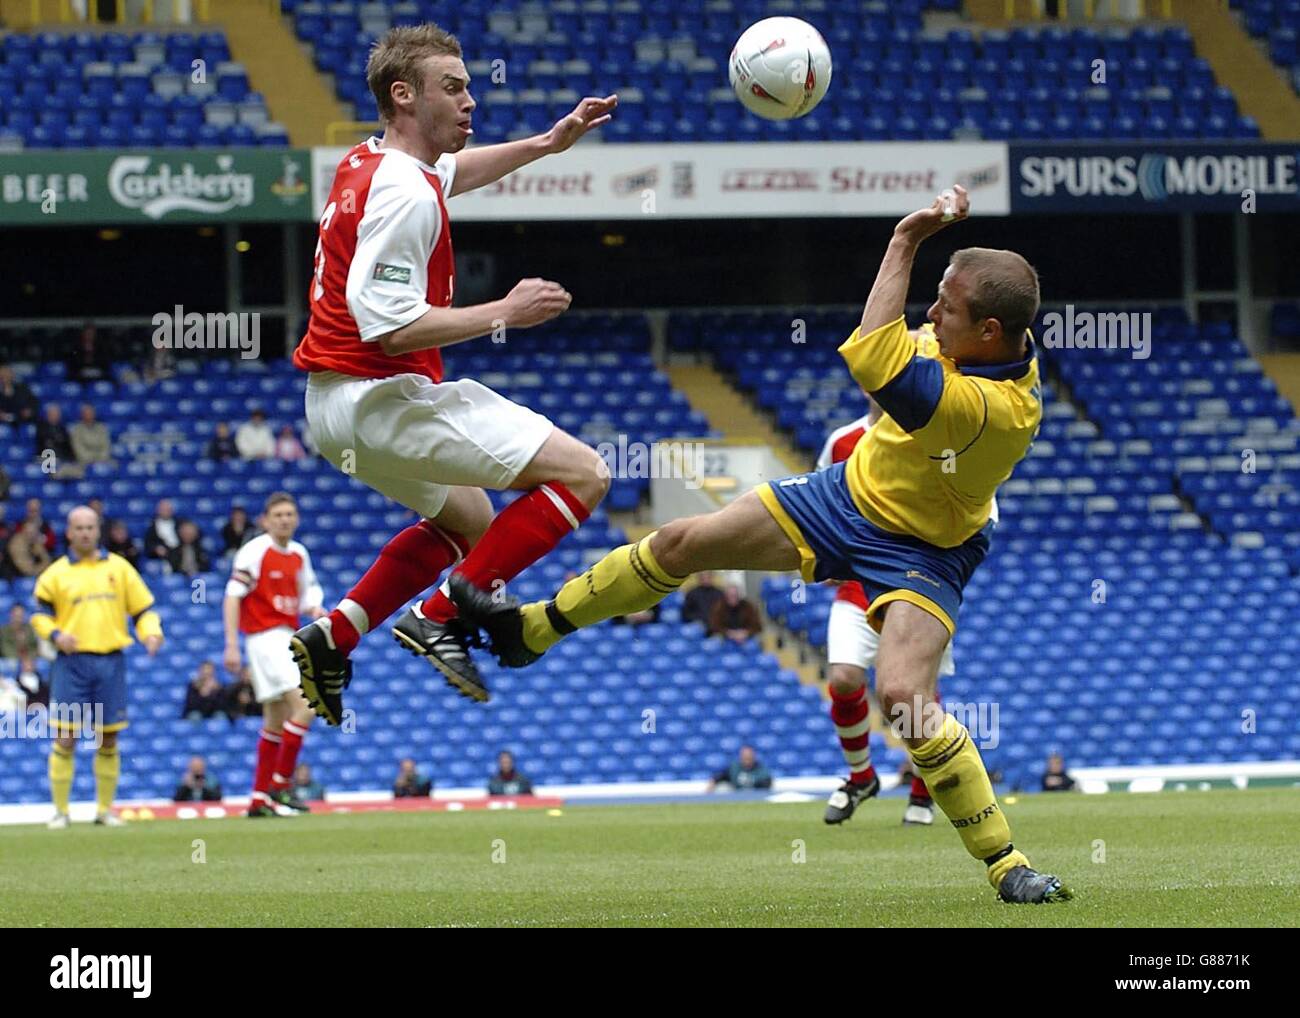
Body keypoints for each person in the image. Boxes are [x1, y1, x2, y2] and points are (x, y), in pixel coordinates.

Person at [453, 187, 1071, 904]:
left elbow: (873, 357)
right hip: (844, 496)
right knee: (682, 541)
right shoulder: (972, 346)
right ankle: (530, 630)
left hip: (926, 548)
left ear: (991, 333)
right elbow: (896, 346)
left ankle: (1006, 863)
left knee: (902, 694)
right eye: (934, 298)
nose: (930, 315)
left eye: (946, 309)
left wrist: (905, 239)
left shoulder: (994, 410)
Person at [288, 22, 617, 726]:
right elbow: (391, 327)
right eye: (455, 87)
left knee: (468, 518)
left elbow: (452, 174)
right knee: (586, 474)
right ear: (404, 96)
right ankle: (439, 613)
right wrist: (506, 310)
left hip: (334, 406)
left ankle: (334, 635)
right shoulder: (403, 195)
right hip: (377, 394)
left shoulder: (372, 163)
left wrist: (546, 144)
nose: (472, 100)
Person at [817, 403, 965, 828]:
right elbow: (824, 498)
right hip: (856, 588)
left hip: (918, 588)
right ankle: (861, 776)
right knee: (843, 678)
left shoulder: (930, 440)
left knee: (916, 696)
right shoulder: (843, 441)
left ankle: (921, 794)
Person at [31, 506, 164, 828]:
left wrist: (151, 633)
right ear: (69, 532)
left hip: (111, 661)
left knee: (109, 740)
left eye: (91, 527)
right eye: (79, 528)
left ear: (98, 530)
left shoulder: (119, 569)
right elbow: (39, 615)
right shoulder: (55, 574)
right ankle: (61, 812)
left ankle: (104, 811)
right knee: (66, 737)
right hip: (71, 664)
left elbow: (143, 610)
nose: (86, 533)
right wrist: (56, 634)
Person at [223, 492, 326, 817]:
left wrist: (313, 605)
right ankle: (280, 787)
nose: (284, 519)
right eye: (278, 515)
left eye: (290, 514)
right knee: (307, 706)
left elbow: (308, 588)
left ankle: (258, 798)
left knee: (275, 720)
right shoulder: (254, 552)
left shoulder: (298, 553)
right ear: (266, 520)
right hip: (266, 638)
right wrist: (230, 643)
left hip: (287, 635)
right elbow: (232, 595)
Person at [706, 746, 772, 791]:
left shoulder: (761, 769)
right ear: (741, 757)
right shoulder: (734, 768)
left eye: (749, 757)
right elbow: (719, 777)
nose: (747, 759)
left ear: (753, 756)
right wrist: (712, 783)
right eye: (745, 757)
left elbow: (766, 784)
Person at [0, 362, 39, 430]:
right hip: (2, 424)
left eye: (7, 374)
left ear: (12, 375)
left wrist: (29, 411)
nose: (5, 377)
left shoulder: (22, 388)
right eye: (2, 375)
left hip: (22, 421)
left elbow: (34, 402)